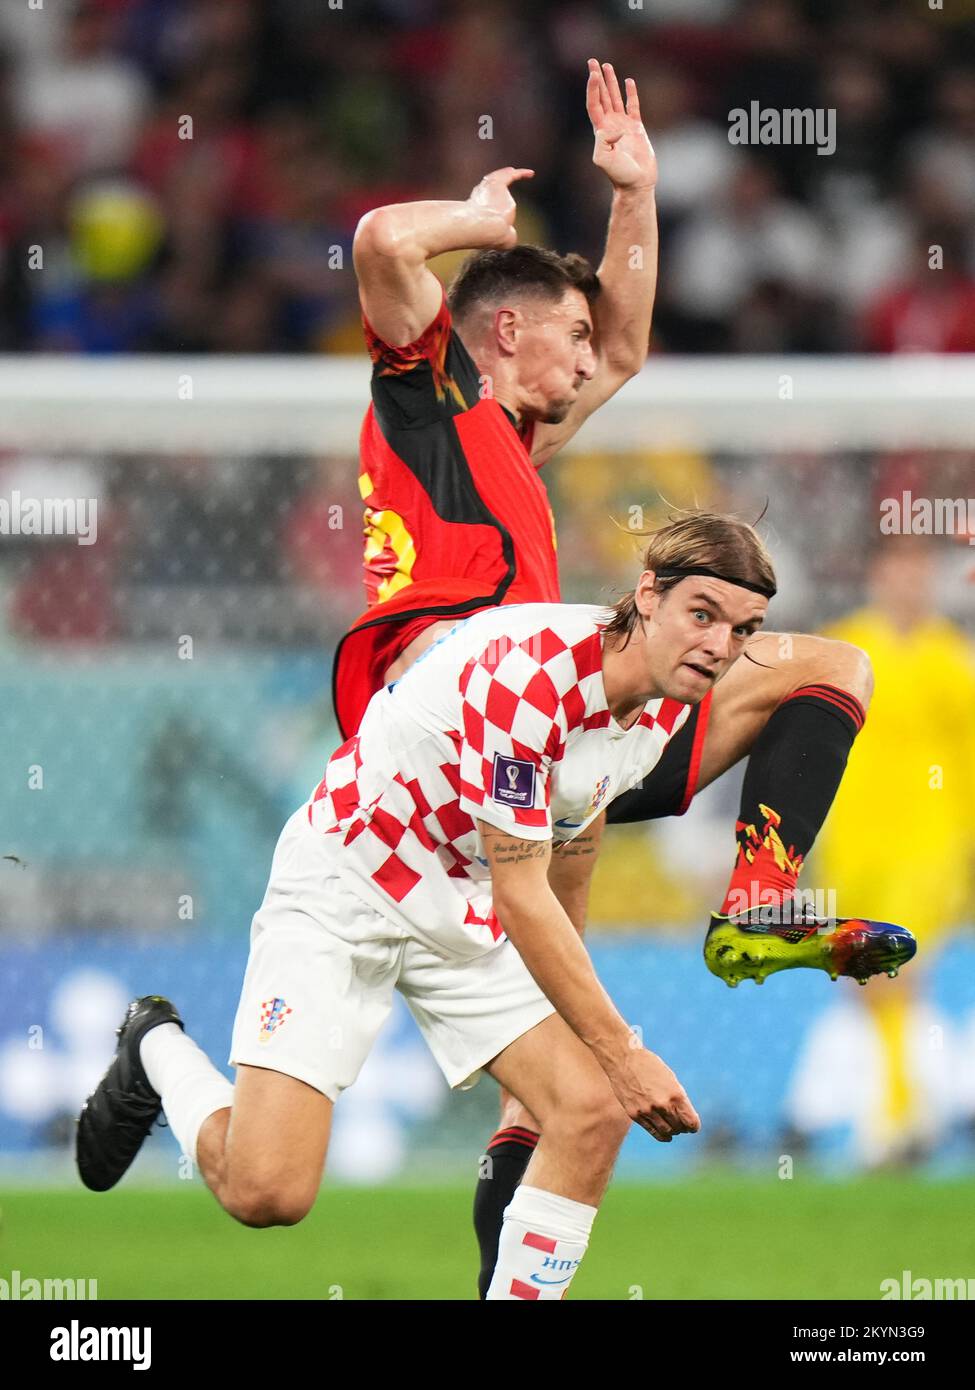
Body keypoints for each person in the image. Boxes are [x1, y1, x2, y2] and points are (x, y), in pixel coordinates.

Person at [342, 59, 917, 1294]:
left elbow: (637, 341)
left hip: (562, 733)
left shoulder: (510, 433)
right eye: (567, 328)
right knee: (554, 1069)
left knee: (828, 667)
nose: (591, 346)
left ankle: (755, 904)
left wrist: (636, 194)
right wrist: (477, 226)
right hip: (460, 748)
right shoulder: (427, 391)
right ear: (502, 330)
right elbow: (385, 239)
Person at [80, 514, 786, 1299]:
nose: (720, 646)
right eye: (703, 614)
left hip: (464, 902)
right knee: (266, 1194)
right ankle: (154, 1046)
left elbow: (573, 833)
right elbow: (524, 891)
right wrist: (619, 1049)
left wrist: (583, 1034)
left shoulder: (662, 706)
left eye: (742, 629)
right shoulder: (534, 677)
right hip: (348, 883)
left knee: (589, 1111)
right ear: (647, 596)